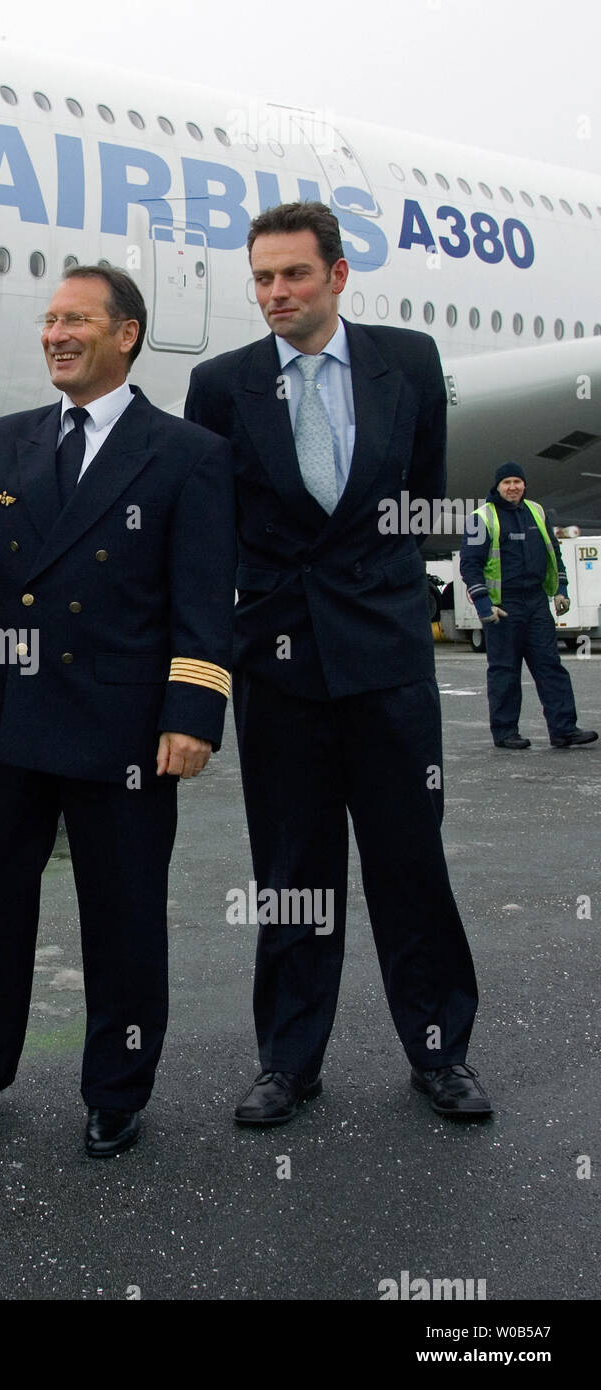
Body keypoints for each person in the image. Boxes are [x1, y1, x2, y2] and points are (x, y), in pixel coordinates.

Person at [0, 266, 235, 1157]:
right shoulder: (7, 438)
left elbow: (204, 598)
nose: (55, 334)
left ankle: (117, 1088)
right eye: (49, 320)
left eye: (76, 321)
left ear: (125, 335)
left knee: (124, 915)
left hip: (124, 728)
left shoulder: (188, 455)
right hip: (11, 718)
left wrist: (193, 713)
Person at [185, 201, 491, 1125]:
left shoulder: (410, 362)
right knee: (291, 870)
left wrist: (383, 588)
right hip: (278, 665)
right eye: (263, 279)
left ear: (338, 276)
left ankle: (440, 1054)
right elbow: (211, 525)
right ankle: (289, 1060)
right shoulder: (220, 384)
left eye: (294, 276)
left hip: (386, 656)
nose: (276, 293)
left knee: (411, 862)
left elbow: (421, 496)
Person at [460, 463, 596, 750]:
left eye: (517, 482)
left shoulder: (537, 511)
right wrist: (485, 604)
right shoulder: (480, 518)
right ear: (497, 486)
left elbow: (553, 553)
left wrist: (561, 589)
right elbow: (469, 565)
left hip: (536, 603)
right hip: (503, 608)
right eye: (507, 482)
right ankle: (505, 732)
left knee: (551, 667)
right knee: (505, 671)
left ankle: (564, 730)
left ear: (524, 485)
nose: (513, 487)